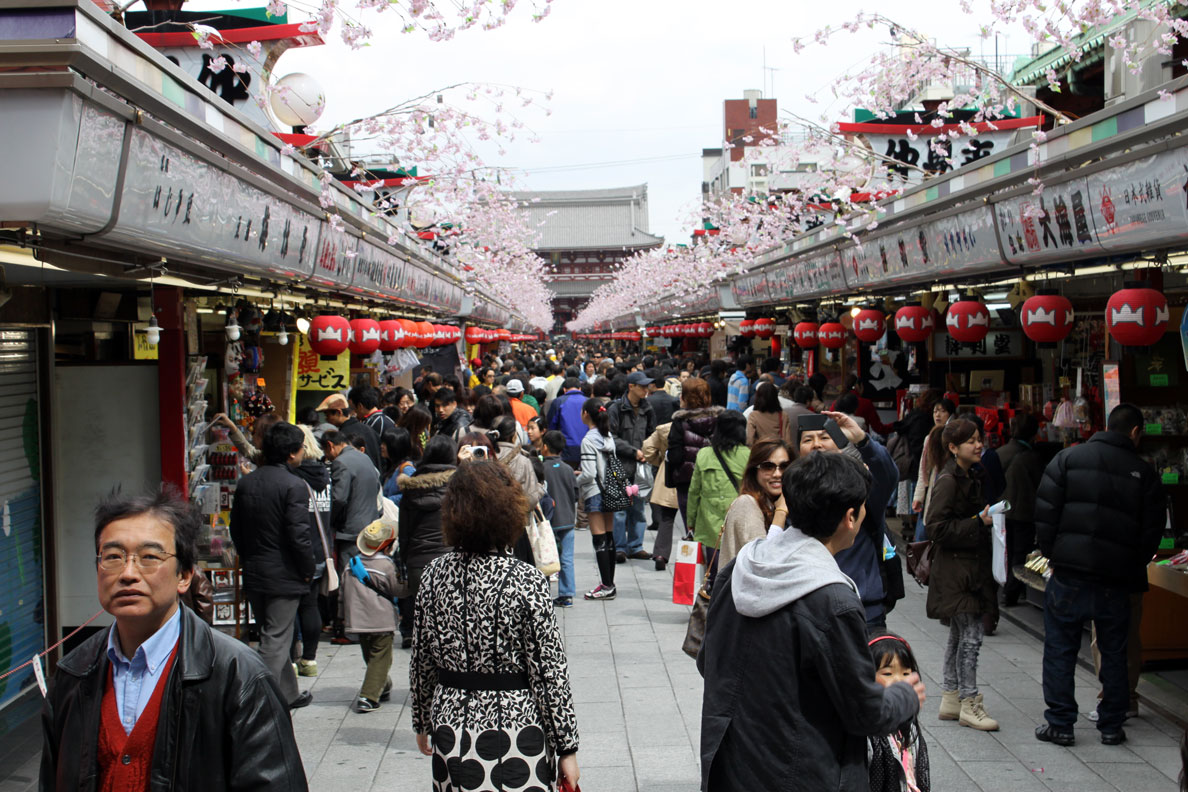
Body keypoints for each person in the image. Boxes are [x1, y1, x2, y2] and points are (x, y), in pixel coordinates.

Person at [41, 488, 308, 790]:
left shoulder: (239, 676)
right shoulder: (74, 674)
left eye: (149, 557)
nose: (128, 573)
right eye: (113, 557)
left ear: (184, 576)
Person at [697, 452, 924, 791]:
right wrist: (905, 696)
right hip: (801, 773)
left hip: (733, 764)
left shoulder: (741, 567)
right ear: (850, 517)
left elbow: (708, 661)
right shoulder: (832, 599)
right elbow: (863, 711)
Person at [410, 461, 580, 791]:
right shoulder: (525, 580)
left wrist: (421, 718)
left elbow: (422, 659)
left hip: (451, 720)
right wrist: (567, 748)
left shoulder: (433, 575)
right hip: (516, 728)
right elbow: (549, 673)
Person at [1034, 403, 1166, 747]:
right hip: (1117, 579)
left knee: (1060, 647)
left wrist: (1053, 554)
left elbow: (1046, 512)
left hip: (1068, 573)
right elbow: (1151, 532)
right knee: (1114, 651)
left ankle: (1061, 722)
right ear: (1135, 433)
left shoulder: (1067, 460)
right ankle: (1111, 724)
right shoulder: (1144, 473)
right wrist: (1132, 564)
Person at [229, 422, 315, 709]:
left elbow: (236, 530)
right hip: (284, 572)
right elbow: (299, 535)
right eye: (301, 448)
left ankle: (289, 693)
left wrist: (249, 557)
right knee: (275, 638)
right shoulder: (293, 485)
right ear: (292, 453)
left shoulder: (247, 483)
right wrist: (307, 569)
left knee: (274, 632)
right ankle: (258, 701)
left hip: (256, 569)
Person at [924, 418, 999, 731]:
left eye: (980, 439)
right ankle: (969, 701)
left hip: (967, 569)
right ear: (953, 448)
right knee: (971, 637)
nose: (978, 445)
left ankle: (951, 697)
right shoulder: (949, 480)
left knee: (959, 635)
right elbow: (935, 527)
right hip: (957, 572)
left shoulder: (970, 475)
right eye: (971, 441)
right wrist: (977, 523)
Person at [798, 411, 900, 629]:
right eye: (808, 439)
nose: (817, 444)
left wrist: (862, 439)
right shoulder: (790, 492)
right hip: (808, 611)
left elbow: (888, 475)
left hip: (863, 609)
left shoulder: (859, 485)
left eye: (824, 437)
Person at [396, 434, 457, 648]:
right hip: (451, 560)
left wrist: (406, 560)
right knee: (451, 622)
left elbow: (404, 532)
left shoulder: (410, 490)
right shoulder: (458, 487)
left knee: (424, 622)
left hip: (418, 563)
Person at [687, 411, 749, 588]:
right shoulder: (748, 455)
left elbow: (694, 491)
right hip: (740, 518)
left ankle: (713, 600)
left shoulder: (704, 454)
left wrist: (691, 521)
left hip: (710, 520)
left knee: (714, 569)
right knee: (738, 566)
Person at [343, 520, 400, 712]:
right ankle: (368, 697)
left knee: (371, 656)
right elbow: (397, 589)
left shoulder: (351, 564)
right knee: (381, 657)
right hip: (381, 620)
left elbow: (343, 594)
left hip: (358, 621)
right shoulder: (386, 565)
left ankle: (382, 685)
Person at [289, 425, 332, 679]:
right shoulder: (324, 475)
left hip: (300, 549)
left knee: (292, 607)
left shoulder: (295, 478)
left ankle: (293, 660)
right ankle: (310, 659)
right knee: (311, 605)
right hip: (321, 548)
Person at [867, 634, 932, 792]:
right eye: (888, 674)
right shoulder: (867, 734)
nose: (899, 681)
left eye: (906, 673)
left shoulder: (910, 729)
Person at [608, 370, 657, 562]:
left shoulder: (648, 408)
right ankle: (619, 547)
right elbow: (610, 437)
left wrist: (650, 452)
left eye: (647, 386)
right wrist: (632, 451)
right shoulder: (616, 409)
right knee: (619, 510)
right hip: (620, 465)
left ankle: (636, 546)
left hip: (641, 468)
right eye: (642, 386)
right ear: (631, 387)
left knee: (638, 508)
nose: (646, 389)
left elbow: (653, 433)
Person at [718, 439, 792, 568]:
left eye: (784, 466)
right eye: (768, 467)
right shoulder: (746, 504)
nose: (777, 474)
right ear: (754, 471)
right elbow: (761, 562)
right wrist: (781, 512)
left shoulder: (780, 502)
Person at [998, 413, 1042, 607]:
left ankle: (1005, 588)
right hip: (1024, 512)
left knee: (1005, 550)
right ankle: (1012, 591)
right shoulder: (1032, 458)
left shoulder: (1000, 453)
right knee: (1020, 552)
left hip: (1001, 511)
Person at [666, 377, 723, 525]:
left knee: (691, 528)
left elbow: (675, 456)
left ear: (685, 398)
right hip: (715, 479)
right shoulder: (721, 420)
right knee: (713, 526)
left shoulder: (680, 423)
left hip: (687, 480)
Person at [578, 397, 619, 599]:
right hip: (611, 490)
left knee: (599, 540)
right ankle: (609, 583)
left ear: (586, 414)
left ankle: (606, 586)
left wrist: (574, 480)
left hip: (595, 490)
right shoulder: (608, 436)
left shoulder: (587, 440)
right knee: (609, 538)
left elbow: (588, 473)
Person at [542, 430, 579, 607]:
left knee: (545, 557)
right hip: (568, 520)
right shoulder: (568, 469)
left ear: (545, 447)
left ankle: (543, 592)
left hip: (547, 522)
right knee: (567, 558)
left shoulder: (541, 468)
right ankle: (566, 594)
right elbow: (576, 494)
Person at [642, 418, 680, 571]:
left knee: (667, 517)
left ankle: (660, 554)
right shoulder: (708, 424)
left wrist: (660, 461)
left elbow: (647, 447)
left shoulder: (666, 428)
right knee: (696, 521)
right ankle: (699, 554)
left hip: (670, 473)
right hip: (697, 473)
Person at [547, 377, 586, 469]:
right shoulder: (588, 401)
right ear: (580, 389)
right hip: (587, 449)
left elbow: (551, 426)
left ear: (564, 390)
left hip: (565, 449)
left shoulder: (559, 402)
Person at [746, 381, 793, 447]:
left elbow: (750, 440)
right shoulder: (783, 415)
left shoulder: (753, 416)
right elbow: (788, 441)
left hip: (761, 452)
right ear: (775, 397)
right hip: (778, 452)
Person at [380, 428, 416, 508]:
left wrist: (387, 501)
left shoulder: (406, 469)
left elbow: (412, 494)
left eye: (385, 444)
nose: (381, 446)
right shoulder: (392, 466)